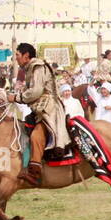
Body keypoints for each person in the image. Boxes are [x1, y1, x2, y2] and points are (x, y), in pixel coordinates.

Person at [7, 43, 68, 186]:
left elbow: (36, 91)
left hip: (49, 110)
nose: (15, 58)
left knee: (36, 136)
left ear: (26, 56)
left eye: (17, 55)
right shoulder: (30, 68)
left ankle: (34, 173)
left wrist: (17, 97)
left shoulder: (37, 67)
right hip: (38, 109)